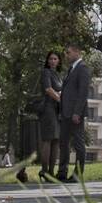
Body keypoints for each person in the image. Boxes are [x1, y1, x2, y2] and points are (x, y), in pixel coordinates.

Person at [56, 43, 90, 182]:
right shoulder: (70, 69)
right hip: (65, 113)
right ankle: (62, 174)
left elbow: (83, 92)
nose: (66, 55)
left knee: (78, 145)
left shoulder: (83, 68)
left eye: (68, 52)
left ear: (77, 52)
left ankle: (77, 175)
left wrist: (77, 112)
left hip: (75, 114)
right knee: (63, 144)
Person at [37, 51, 62, 182]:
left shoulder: (57, 75)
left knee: (56, 141)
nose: (53, 61)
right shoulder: (46, 72)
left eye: (55, 59)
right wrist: (60, 99)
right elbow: (48, 89)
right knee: (48, 140)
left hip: (57, 111)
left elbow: (59, 89)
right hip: (48, 109)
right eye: (51, 59)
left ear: (58, 61)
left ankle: (51, 172)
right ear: (47, 61)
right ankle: (44, 170)